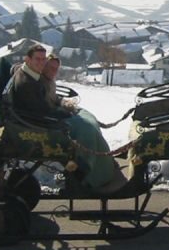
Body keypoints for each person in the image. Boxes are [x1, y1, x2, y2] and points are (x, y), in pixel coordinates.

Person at [8, 44, 123, 192]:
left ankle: (103, 163)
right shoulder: (26, 83)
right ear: (28, 59)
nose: (41, 62)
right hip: (43, 124)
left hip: (44, 118)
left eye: (43, 59)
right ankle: (94, 174)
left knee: (89, 121)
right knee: (87, 129)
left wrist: (63, 105)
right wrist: (65, 112)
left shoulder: (32, 75)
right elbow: (41, 111)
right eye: (37, 59)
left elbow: (47, 101)